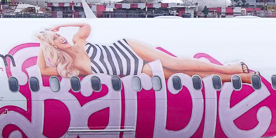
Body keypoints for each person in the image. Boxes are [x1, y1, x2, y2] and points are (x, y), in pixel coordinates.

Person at [35, 23, 250, 81]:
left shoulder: (77, 40)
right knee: (181, 75)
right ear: (52, 45)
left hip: (126, 48)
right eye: (55, 39)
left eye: (58, 34)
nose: (60, 37)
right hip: (135, 69)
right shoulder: (72, 67)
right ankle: (237, 78)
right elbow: (44, 70)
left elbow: (85, 25)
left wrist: (59, 26)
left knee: (174, 63)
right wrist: (42, 44)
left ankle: (227, 69)